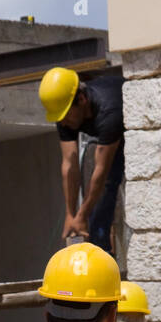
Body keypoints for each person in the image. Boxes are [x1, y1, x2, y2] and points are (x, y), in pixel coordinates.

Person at [38, 67, 124, 255]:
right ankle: (92, 239)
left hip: (128, 129)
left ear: (82, 100)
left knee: (108, 183)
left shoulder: (109, 111)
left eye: (66, 116)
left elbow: (101, 171)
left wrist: (82, 215)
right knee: (90, 187)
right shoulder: (65, 113)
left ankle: (101, 249)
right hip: (106, 135)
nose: (63, 123)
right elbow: (69, 165)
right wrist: (70, 215)